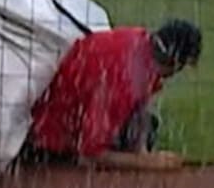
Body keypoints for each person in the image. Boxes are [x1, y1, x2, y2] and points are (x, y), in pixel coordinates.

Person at [23, 19, 201, 170]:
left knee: (147, 126)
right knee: (113, 150)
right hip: (43, 135)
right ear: (175, 63)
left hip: (63, 105)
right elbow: (90, 155)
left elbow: (140, 105)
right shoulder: (122, 83)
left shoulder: (139, 41)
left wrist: (142, 151)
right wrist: (144, 162)